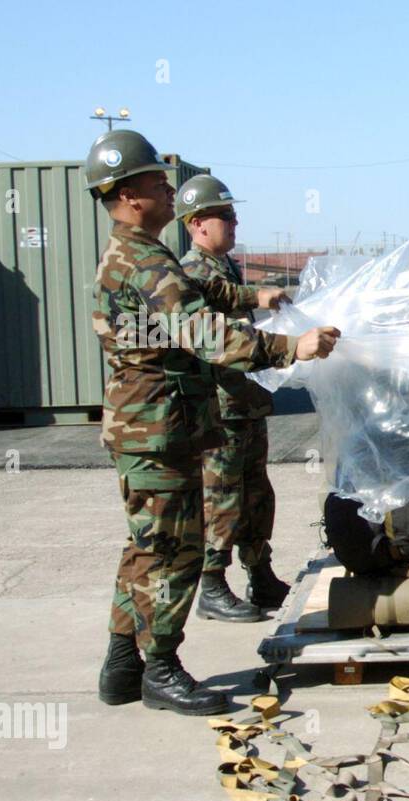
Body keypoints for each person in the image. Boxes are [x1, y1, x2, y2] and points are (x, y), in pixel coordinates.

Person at [86, 130, 339, 715]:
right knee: (176, 551)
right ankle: (161, 669)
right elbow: (200, 330)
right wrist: (288, 349)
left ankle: (122, 665)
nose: (168, 189)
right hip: (159, 428)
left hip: (142, 426)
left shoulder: (132, 255)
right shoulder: (143, 260)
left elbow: (204, 294)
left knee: (144, 548)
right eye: (155, 181)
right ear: (127, 195)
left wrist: (258, 298)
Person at [175, 175, 290, 623]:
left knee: (255, 493)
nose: (234, 222)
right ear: (198, 222)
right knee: (221, 496)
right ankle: (212, 584)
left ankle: (259, 573)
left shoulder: (223, 266)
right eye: (225, 215)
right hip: (221, 408)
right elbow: (213, 318)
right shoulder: (194, 271)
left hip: (243, 403)